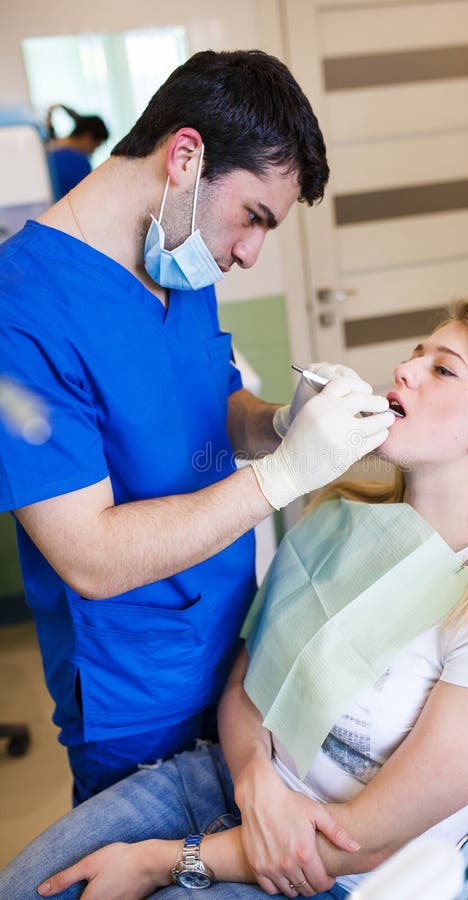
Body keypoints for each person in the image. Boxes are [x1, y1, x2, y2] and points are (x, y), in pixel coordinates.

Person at [1, 296, 468, 900]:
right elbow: (245, 685)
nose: (405, 370)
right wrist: (254, 783)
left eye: (442, 369)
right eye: (416, 355)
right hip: (226, 781)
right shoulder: (334, 520)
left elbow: (363, 840)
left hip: (335, 871)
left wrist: (164, 862)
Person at [0, 49, 395, 804]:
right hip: (137, 687)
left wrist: (281, 425)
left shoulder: (179, 259)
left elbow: (212, 409)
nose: (249, 252)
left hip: (233, 644)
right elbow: (89, 557)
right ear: (185, 157)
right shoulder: (22, 311)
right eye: (253, 218)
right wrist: (282, 477)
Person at [46, 104, 110, 198]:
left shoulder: (46, 151)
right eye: (94, 147)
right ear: (87, 137)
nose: (92, 153)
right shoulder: (79, 162)